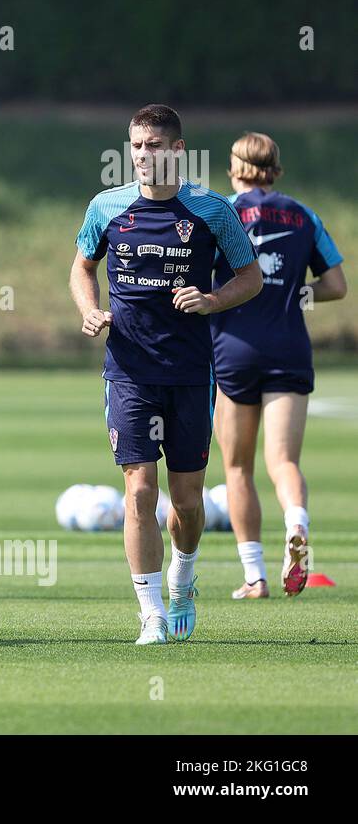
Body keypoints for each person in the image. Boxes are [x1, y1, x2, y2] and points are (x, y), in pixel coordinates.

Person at [69, 104, 262, 645]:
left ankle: (183, 574)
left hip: (190, 371)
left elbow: (251, 276)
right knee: (138, 492)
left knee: (186, 501)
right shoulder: (107, 207)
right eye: (135, 146)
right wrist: (90, 308)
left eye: (153, 146)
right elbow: (82, 265)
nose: (142, 156)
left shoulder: (211, 209)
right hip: (129, 370)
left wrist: (212, 297)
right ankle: (150, 612)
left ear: (177, 151)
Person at [209, 132, 346, 599]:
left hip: (234, 348)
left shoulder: (219, 212)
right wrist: (295, 293)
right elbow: (337, 284)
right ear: (276, 169)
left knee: (237, 468)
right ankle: (297, 524)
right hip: (289, 346)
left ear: (234, 168)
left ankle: (255, 576)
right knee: (284, 460)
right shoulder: (303, 215)